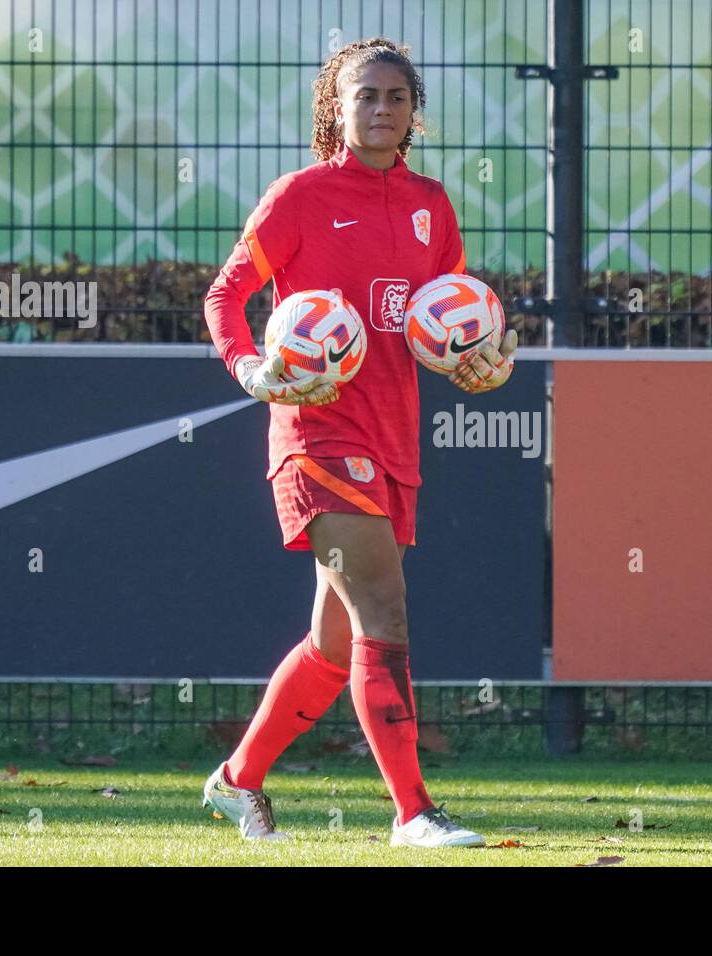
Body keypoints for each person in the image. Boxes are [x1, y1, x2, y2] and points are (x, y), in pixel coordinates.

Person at [200, 37, 518, 849]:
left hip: (394, 436)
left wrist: (483, 363)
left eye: (397, 97)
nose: (382, 109)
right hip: (316, 432)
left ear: (415, 112)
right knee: (385, 611)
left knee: (334, 645)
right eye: (365, 96)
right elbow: (226, 295)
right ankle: (413, 813)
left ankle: (237, 781)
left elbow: (448, 325)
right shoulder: (300, 197)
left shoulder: (432, 206)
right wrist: (251, 368)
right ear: (334, 109)